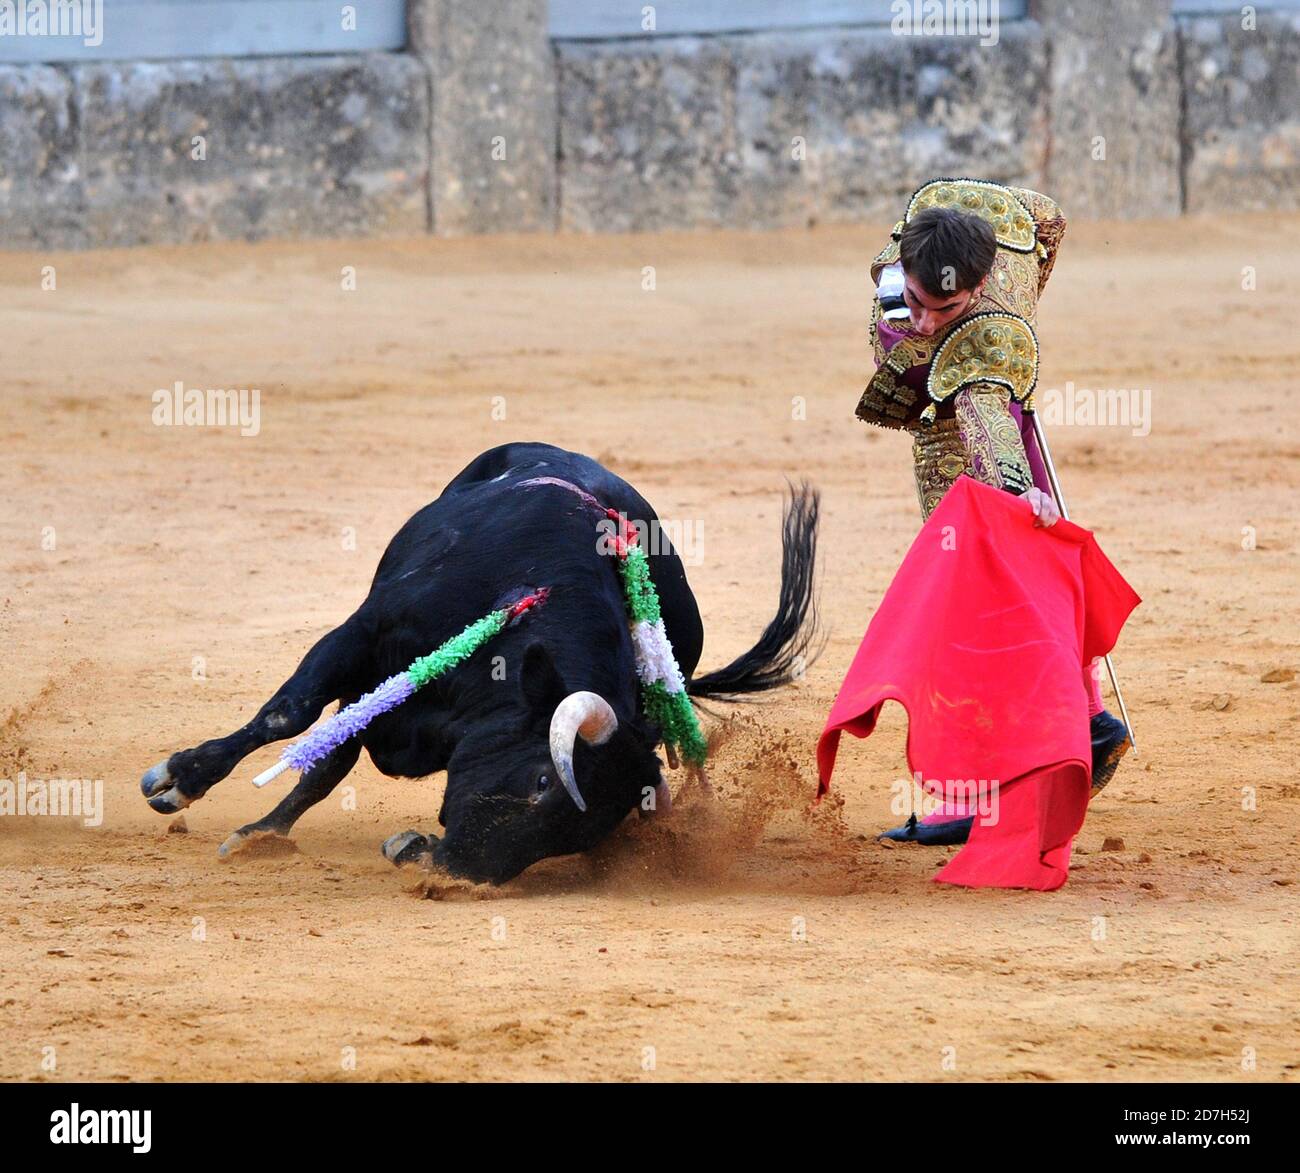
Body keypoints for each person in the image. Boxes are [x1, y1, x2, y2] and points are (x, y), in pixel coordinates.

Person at [855, 178, 1131, 845]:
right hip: (970, 406)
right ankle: (1090, 720)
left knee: (972, 606)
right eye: (916, 302)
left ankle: (976, 792)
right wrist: (1032, 290)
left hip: (968, 433)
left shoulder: (985, 349)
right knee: (1017, 582)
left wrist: (1013, 498)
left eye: (942, 307)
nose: (922, 320)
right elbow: (1047, 217)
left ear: (976, 290)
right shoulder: (930, 232)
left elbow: (985, 424)